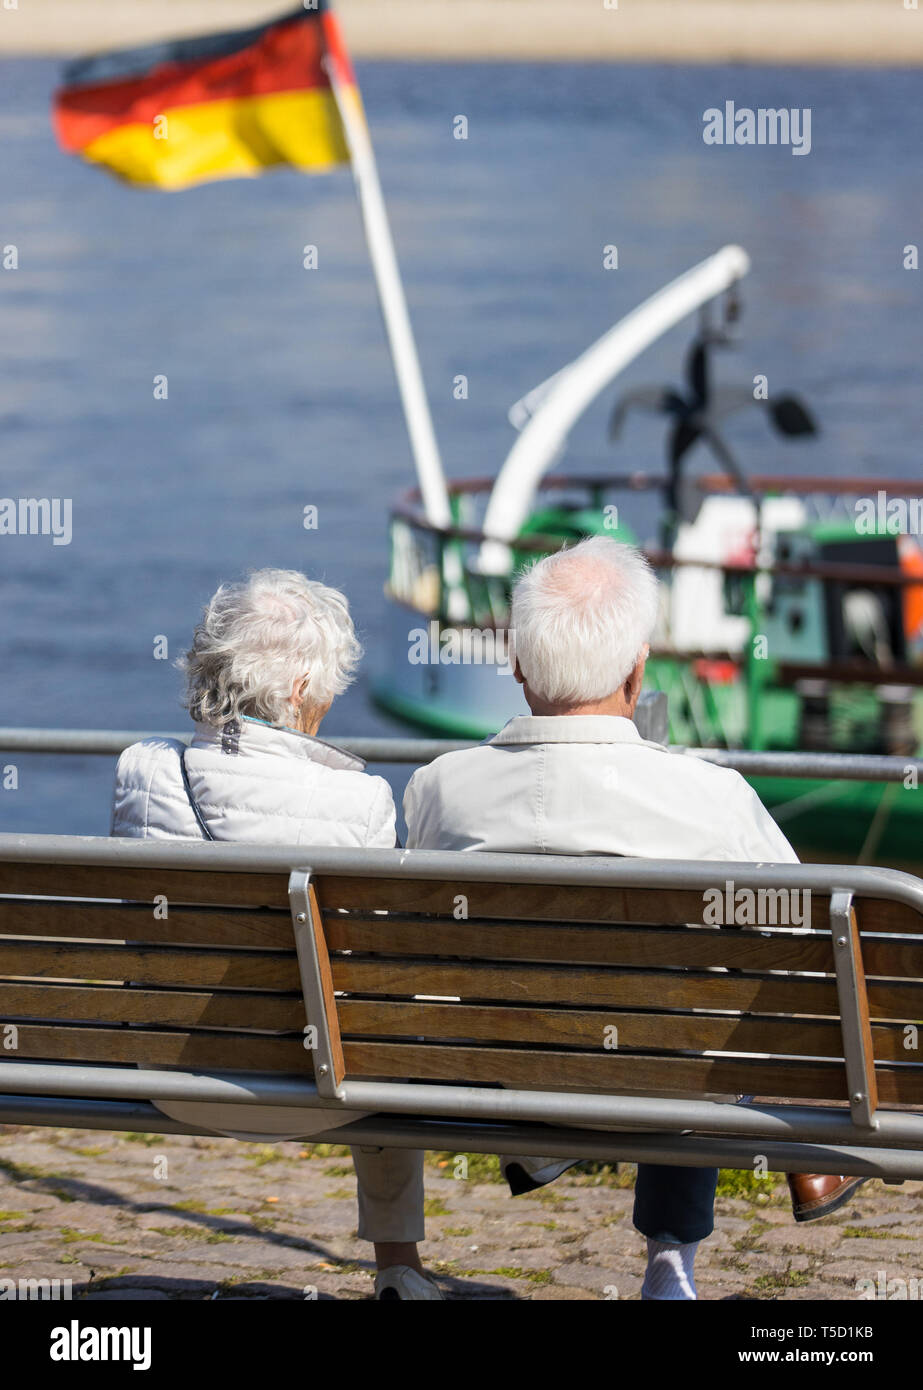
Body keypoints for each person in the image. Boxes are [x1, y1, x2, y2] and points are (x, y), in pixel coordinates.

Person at [404, 536, 865, 1300]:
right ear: (637, 669)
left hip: (500, 1082)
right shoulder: (710, 798)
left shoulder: (438, 790)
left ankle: (555, 1150)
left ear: (516, 662)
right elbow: (811, 940)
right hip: (666, 1081)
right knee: (712, 1006)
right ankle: (670, 1258)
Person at [111, 569, 439, 1300]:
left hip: (168, 1075)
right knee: (376, 1025)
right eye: (325, 687)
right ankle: (399, 1265)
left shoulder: (142, 769)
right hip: (323, 1087)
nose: (328, 702)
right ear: (297, 692)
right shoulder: (361, 802)